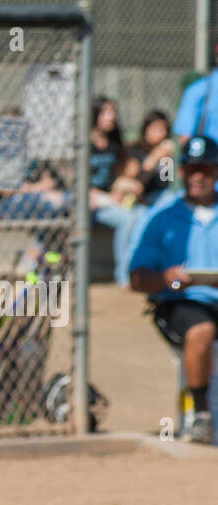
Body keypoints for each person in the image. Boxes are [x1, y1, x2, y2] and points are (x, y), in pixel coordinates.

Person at [127, 135, 218, 444]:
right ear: (181, 172)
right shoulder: (163, 219)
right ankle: (201, 415)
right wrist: (166, 278)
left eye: (206, 170)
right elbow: (136, 278)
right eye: (192, 169)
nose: (198, 177)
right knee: (202, 329)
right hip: (180, 302)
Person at [89, 96, 141, 287]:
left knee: (140, 214)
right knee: (127, 218)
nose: (111, 117)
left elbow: (127, 171)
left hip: (112, 201)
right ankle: (123, 275)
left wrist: (125, 185)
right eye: (106, 112)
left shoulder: (114, 144)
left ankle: (132, 272)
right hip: (91, 202)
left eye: (113, 112)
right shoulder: (84, 144)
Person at [173, 42, 218, 148]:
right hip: (209, 158)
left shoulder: (199, 88)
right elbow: (184, 136)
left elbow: (184, 137)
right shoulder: (200, 89)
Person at [131, 109, 176, 208]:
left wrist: (167, 161)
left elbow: (165, 182)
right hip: (139, 200)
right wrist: (155, 157)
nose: (161, 134)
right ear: (146, 129)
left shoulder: (164, 151)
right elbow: (138, 183)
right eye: (156, 129)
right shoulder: (134, 151)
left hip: (160, 196)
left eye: (164, 129)